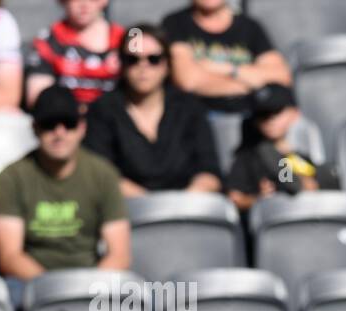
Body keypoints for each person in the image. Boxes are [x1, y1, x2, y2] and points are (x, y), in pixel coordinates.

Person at [0, 85, 130, 303]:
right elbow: (10, 257)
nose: (59, 132)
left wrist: (87, 291)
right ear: (34, 128)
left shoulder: (103, 174)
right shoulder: (12, 177)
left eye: (68, 123)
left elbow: (119, 255)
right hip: (30, 283)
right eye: (49, 124)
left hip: (91, 283)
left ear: (82, 128)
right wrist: (55, 290)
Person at [83, 24, 221, 197]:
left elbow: (210, 171)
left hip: (187, 209)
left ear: (167, 65)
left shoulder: (190, 108)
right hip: (128, 212)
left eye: (154, 59)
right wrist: (152, 206)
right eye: (132, 59)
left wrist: (184, 203)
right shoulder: (102, 110)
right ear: (122, 64)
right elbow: (100, 174)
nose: (143, 66)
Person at [162, 0, 291, 114]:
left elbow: (281, 75)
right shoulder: (176, 23)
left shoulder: (250, 26)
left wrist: (225, 69)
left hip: (249, 114)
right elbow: (188, 81)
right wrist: (251, 83)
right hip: (200, 115)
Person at [225, 83, 338, 213]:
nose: (270, 120)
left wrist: (311, 184)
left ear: (294, 113)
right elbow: (234, 197)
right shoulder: (249, 155)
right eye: (262, 115)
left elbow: (309, 183)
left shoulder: (299, 156)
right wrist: (259, 199)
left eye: (276, 112)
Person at [24, 0, 125, 108]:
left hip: (113, 119)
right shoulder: (48, 41)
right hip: (66, 119)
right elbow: (38, 99)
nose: (84, 4)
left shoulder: (124, 41)